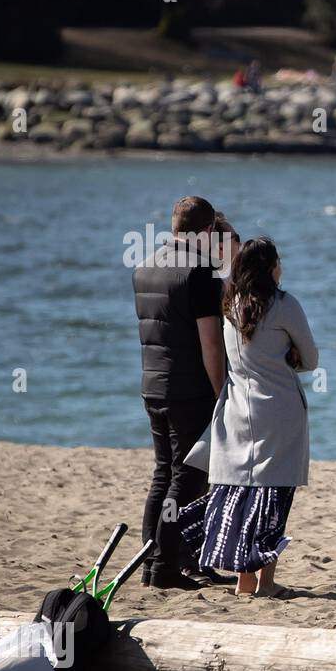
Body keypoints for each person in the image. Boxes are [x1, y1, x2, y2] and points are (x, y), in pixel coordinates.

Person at [180, 238, 318, 599]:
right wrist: (288, 358)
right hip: (279, 409)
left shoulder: (231, 305)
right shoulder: (285, 305)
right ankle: (266, 582)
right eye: (278, 262)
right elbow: (312, 358)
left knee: (241, 495)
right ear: (271, 267)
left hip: (238, 408)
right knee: (274, 497)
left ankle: (244, 580)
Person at [133, 196, 226, 590]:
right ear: (206, 231)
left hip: (152, 384)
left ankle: (152, 562)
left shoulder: (145, 266)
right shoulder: (201, 271)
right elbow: (210, 343)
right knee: (186, 477)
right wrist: (222, 391)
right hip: (189, 388)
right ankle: (167, 566)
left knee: (162, 474)